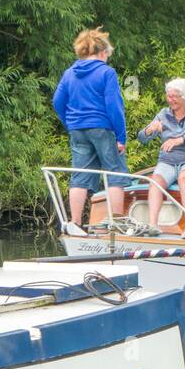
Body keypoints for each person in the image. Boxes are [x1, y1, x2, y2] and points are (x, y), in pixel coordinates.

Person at [52, 28, 129, 230]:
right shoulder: (106, 73)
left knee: (79, 175)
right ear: (102, 52)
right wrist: (121, 136)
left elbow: (57, 101)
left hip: (77, 129)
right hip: (103, 128)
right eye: (107, 55)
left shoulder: (69, 73)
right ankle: (116, 223)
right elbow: (114, 107)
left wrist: (69, 122)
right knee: (115, 172)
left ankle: (75, 223)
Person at [136, 78, 185, 239]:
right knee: (155, 180)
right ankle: (153, 226)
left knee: (184, 177)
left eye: (175, 96)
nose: (171, 100)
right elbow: (141, 138)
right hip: (168, 160)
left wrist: (181, 140)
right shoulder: (163, 114)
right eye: (169, 96)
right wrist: (150, 130)